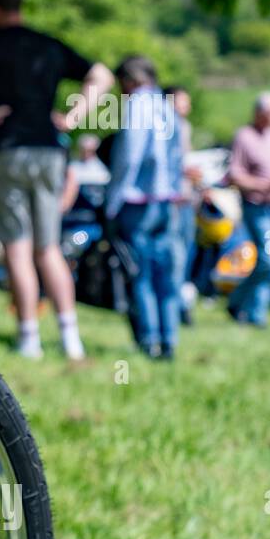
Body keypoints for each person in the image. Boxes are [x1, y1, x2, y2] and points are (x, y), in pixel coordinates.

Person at [0, 0, 113, 359]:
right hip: (49, 151)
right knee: (48, 247)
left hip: (5, 150)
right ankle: (70, 338)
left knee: (17, 248)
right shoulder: (48, 45)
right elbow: (102, 76)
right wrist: (73, 118)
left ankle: (29, 337)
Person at [105, 56, 184, 359]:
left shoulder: (138, 104)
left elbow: (129, 156)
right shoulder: (166, 105)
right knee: (165, 275)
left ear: (130, 80)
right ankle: (169, 339)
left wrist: (112, 201)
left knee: (141, 274)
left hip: (138, 203)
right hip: (166, 202)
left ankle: (149, 340)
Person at [226, 91, 270, 327]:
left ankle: (256, 313)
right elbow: (235, 175)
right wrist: (264, 185)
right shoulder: (244, 137)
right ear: (260, 113)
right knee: (268, 258)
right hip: (255, 206)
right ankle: (239, 302)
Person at [164, 86, 199, 324]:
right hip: (172, 201)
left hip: (186, 199)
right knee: (175, 256)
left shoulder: (184, 127)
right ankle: (176, 306)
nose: (187, 106)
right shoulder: (163, 128)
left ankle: (181, 302)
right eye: (182, 101)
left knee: (185, 255)